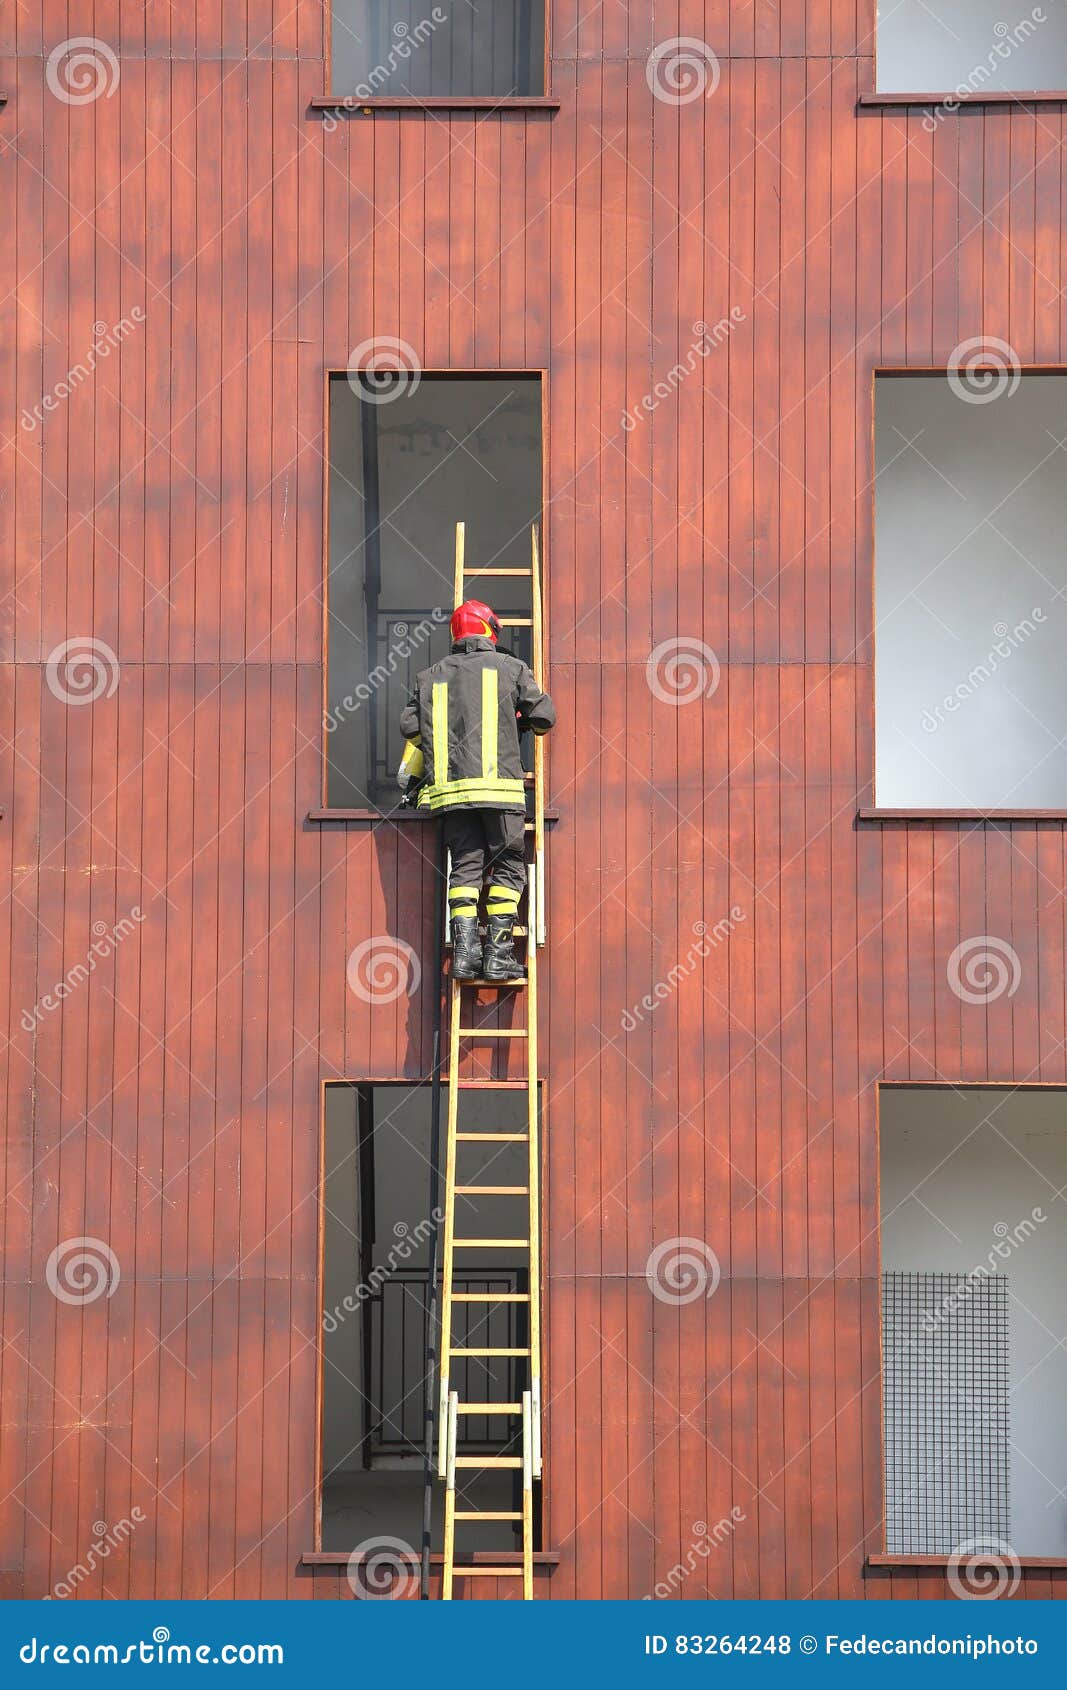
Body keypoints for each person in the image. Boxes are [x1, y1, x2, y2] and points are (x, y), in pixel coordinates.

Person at [398, 599, 555, 981]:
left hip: (451, 797)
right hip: (500, 792)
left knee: (465, 869)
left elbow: (411, 730)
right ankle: (498, 955)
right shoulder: (510, 668)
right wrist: (515, 716)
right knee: (508, 864)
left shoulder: (429, 676)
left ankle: (465, 957)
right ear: (490, 631)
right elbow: (544, 719)